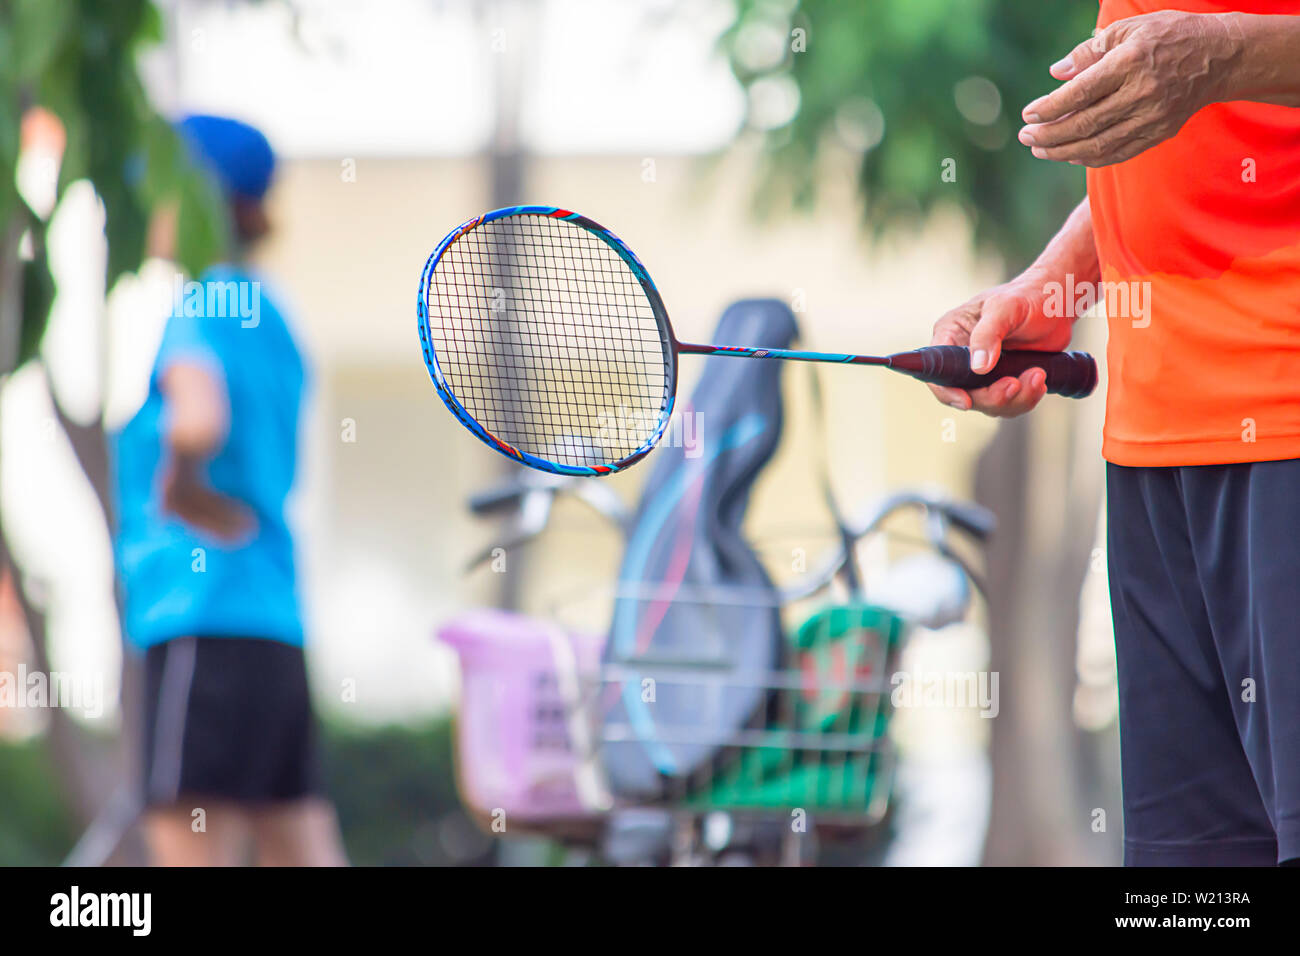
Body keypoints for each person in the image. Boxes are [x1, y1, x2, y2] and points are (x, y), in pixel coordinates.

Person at [930, 3, 1300, 866]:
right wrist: (1057, 281)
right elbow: (1202, 134)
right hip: (1154, 443)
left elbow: (1221, 72)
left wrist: (1230, 55)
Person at [113, 114, 347, 866]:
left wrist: (182, 490)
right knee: (296, 839)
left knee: (189, 845)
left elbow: (198, 421)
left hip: (199, 614)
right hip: (273, 622)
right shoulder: (271, 313)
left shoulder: (201, 307)